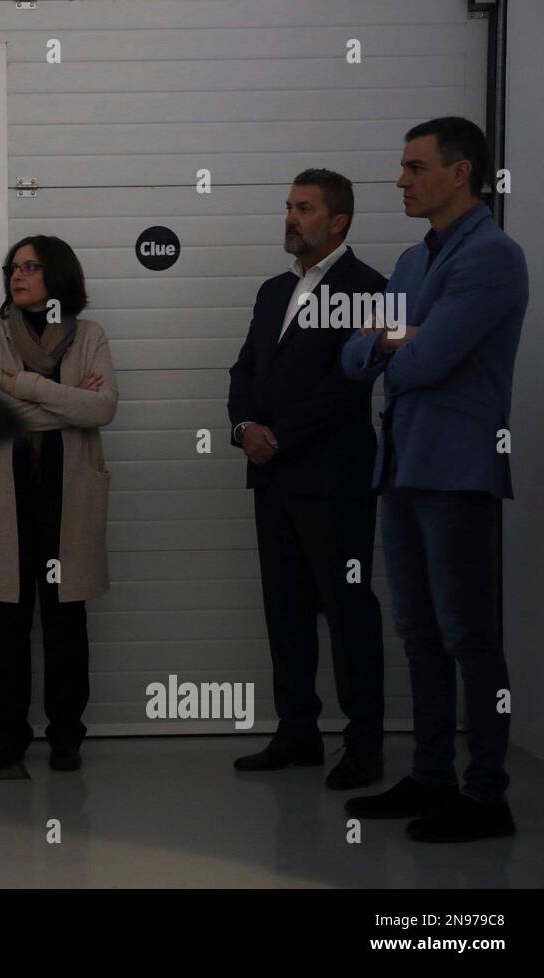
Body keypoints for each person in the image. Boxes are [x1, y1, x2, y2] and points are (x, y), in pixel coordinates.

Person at [341, 117, 527, 842]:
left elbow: (426, 362)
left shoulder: (494, 257)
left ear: (461, 172)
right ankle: (429, 777)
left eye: (416, 167)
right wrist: (397, 340)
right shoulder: (415, 263)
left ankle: (487, 795)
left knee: (467, 635)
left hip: (457, 468)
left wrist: (397, 344)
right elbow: (355, 358)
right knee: (417, 632)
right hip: (405, 465)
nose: (401, 179)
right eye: (402, 166)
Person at [227, 169, 387, 789]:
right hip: (271, 481)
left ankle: (365, 746)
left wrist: (279, 436)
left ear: (338, 221)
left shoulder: (370, 287)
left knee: (348, 612)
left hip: (333, 480)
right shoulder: (273, 291)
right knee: (285, 610)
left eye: (304, 208)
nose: (290, 218)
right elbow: (243, 370)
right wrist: (244, 427)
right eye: (288, 207)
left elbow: (350, 383)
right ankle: (297, 732)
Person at [0, 235, 117, 772]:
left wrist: (25, 385)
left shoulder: (89, 334)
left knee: (64, 622)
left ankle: (65, 737)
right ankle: (9, 737)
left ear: (56, 274)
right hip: (5, 498)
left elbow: (103, 410)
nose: (18, 274)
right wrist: (68, 401)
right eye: (13, 266)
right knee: (6, 625)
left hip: (66, 498)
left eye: (30, 266)